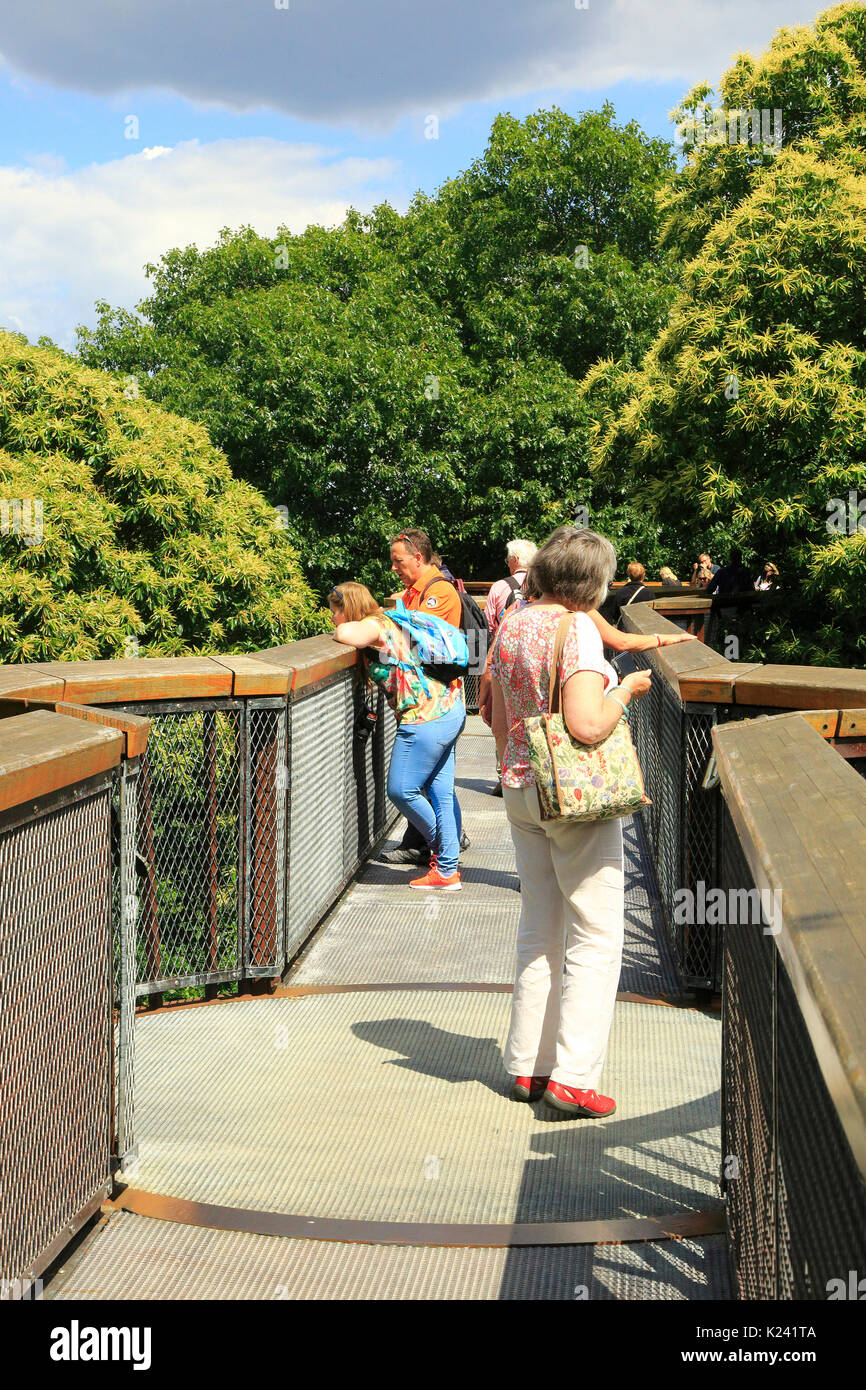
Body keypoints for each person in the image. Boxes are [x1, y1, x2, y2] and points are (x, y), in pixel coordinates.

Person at [490, 527, 652, 1117]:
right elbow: (586, 725)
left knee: (540, 925)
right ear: (593, 584)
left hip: (518, 785)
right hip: (572, 795)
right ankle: (573, 1078)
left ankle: (528, 1066)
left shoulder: (513, 620)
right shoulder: (579, 628)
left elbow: (493, 709)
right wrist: (628, 689)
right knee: (597, 933)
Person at [331, 582, 466, 890]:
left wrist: (341, 629)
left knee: (401, 790)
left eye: (335, 611)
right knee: (439, 792)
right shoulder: (394, 619)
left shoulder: (375, 624)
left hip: (424, 718)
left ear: (347, 608)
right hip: (448, 708)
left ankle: (445, 853)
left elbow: (346, 635)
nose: (333, 619)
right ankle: (447, 868)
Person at [380, 529, 469, 866]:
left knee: (404, 789)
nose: (394, 567)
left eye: (398, 560)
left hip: (433, 706)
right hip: (436, 704)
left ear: (418, 557)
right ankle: (445, 854)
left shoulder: (438, 593)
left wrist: (387, 622)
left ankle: (445, 847)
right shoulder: (415, 593)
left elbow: (419, 642)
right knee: (437, 786)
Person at [485, 540, 538, 637]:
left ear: (515, 560)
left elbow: (488, 624)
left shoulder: (499, 586)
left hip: (505, 645)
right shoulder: (542, 585)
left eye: (508, 561)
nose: (508, 564)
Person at [598, 561, 653, 626]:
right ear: (643, 575)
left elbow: (615, 615)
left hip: (624, 629)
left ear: (629, 575)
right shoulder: (649, 593)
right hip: (642, 628)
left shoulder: (620, 592)